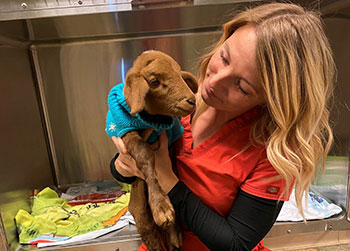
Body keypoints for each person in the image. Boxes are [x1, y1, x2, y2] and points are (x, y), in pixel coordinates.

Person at [109, 2, 336, 251]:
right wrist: (123, 166)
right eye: (224, 57)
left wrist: (165, 177)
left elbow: (237, 244)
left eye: (241, 86)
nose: (214, 82)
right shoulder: (181, 101)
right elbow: (128, 162)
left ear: (274, 99)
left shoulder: (277, 150)